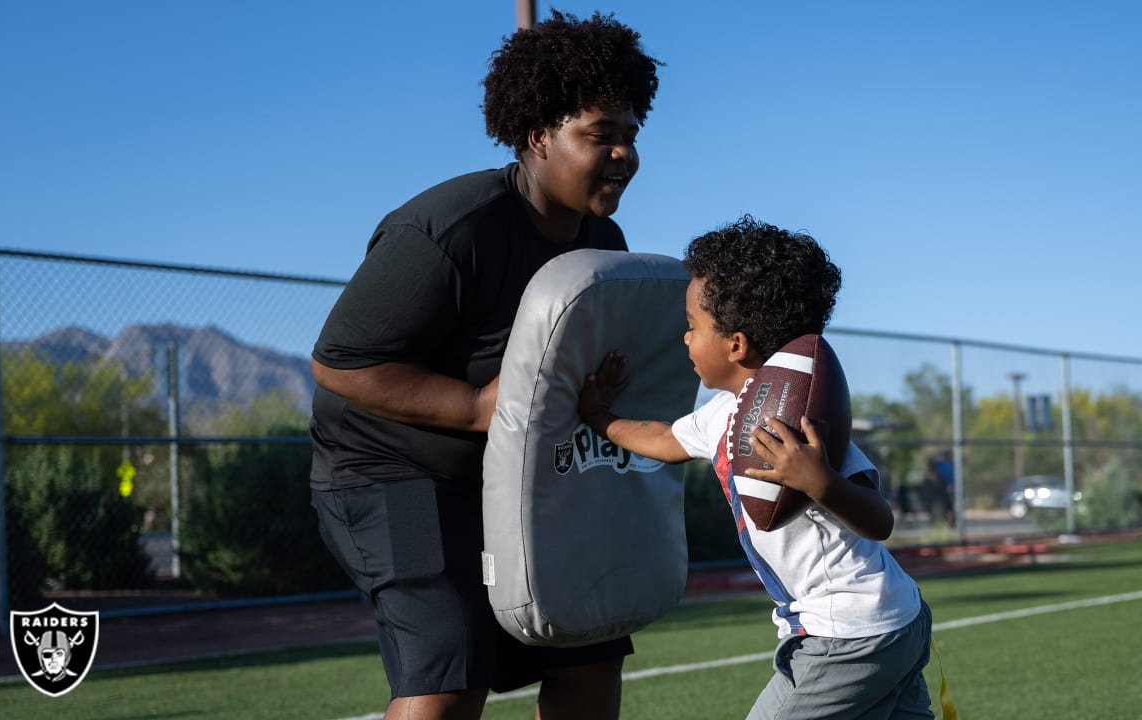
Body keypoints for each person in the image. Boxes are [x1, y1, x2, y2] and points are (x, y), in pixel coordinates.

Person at [308, 11, 661, 720]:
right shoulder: (446, 230)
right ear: (538, 136)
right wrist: (475, 406)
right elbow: (339, 363)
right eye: (602, 136)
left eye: (630, 136)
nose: (624, 154)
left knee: (587, 645)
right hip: (389, 476)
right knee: (449, 662)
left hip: (509, 476)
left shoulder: (603, 241)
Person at [579, 216, 935, 719]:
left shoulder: (803, 419)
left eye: (692, 327)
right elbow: (659, 440)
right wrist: (599, 416)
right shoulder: (722, 414)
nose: (685, 340)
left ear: (736, 344)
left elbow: (880, 521)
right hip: (888, 622)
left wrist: (821, 482)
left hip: (850, 632)